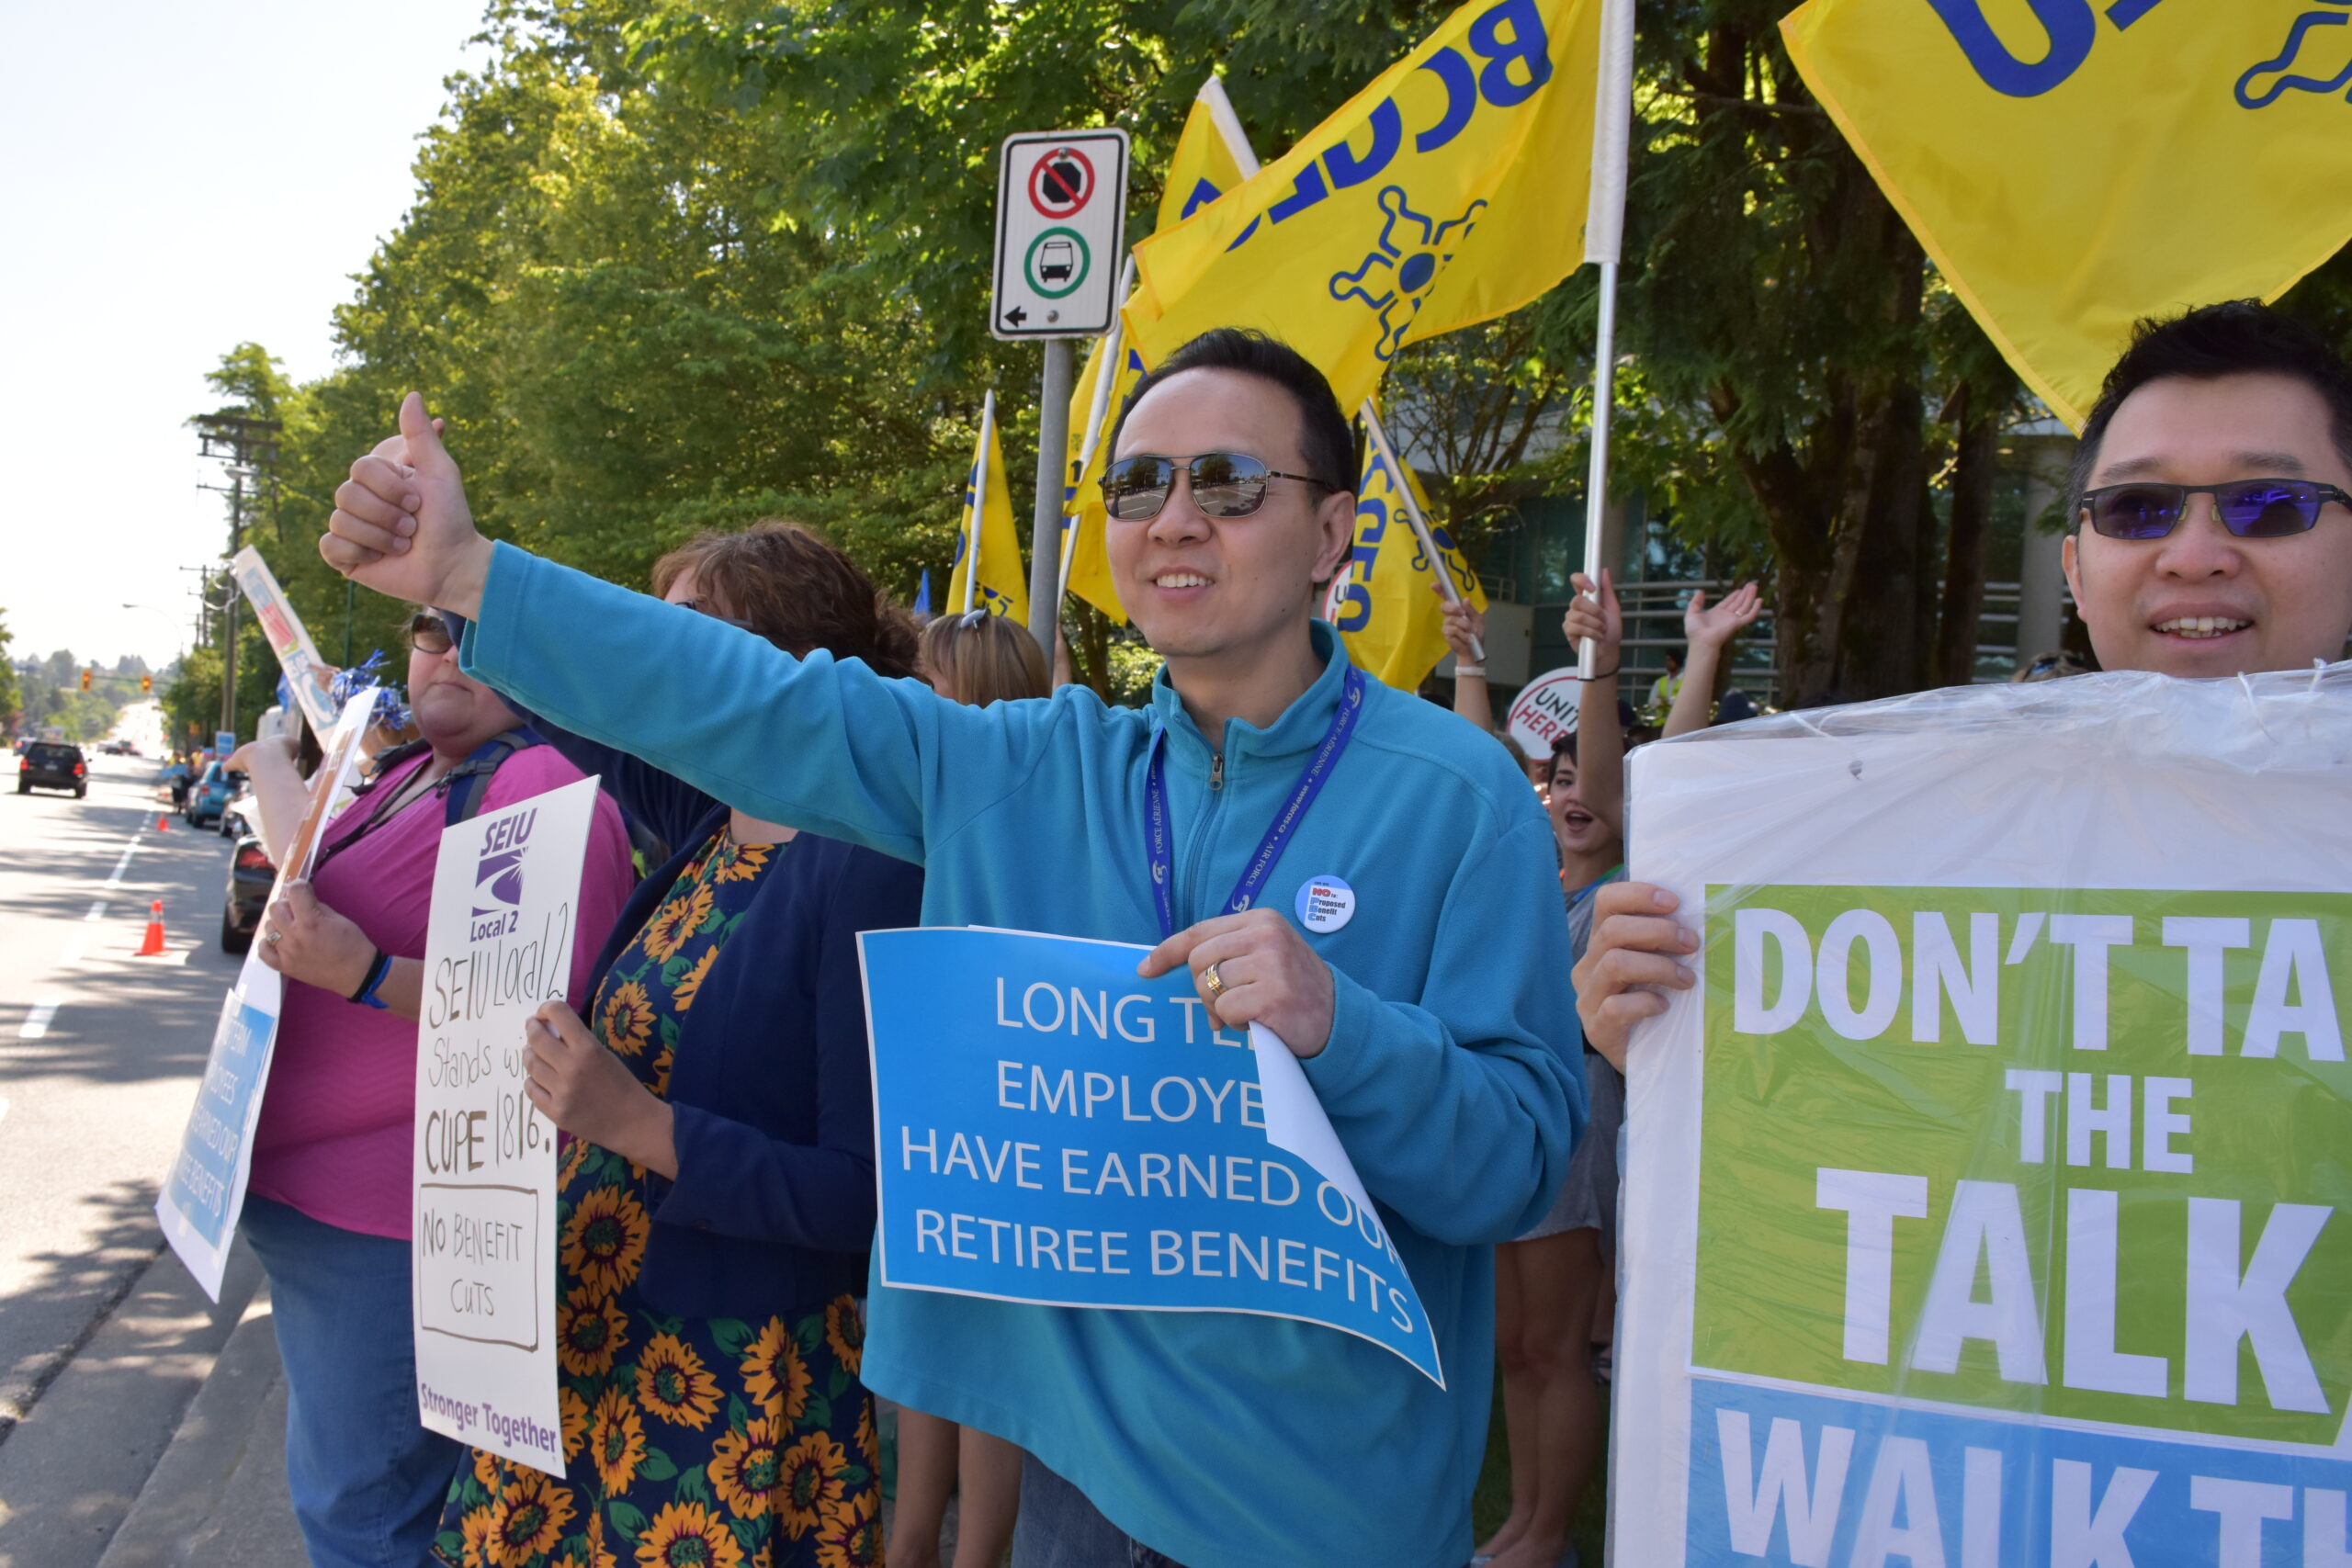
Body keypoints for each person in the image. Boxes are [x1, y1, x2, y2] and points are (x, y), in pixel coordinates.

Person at [320, 327, 1584, 1568]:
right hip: (1072, 1487)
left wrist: (1341, 1026)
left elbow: (1520, 1167)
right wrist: (473, 575)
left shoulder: (1464, 796)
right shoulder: (1024, 763)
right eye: (1139, 482)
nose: (1178, 517)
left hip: (1325, 1513)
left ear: (1334, 533)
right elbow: (754, 700)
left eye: (1231, 482)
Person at [1575, 299, 2352, 1069]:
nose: (2194, 555)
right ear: (2076, 571)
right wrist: (1658, 1055)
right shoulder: (1884, 839)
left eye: (2268, 505)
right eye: (2138, 508)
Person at [427, 520, 926, 1568]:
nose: (654, 648)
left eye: (688, 627)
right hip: (592, 1338)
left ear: (789, 665)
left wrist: (638, 1124)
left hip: (723, 1383)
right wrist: (457, 573)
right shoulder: (711, 811)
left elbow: (861, 1197)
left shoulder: (871, 866)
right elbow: (592, 690)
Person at [227, 611, 633, 1568]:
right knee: (365, 1504)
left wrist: (366, 971)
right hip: (324, 1221)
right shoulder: (415, 775)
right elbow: (302, 885)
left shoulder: (532, 780)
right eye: (428, 630)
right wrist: (278, 768)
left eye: (483, 630)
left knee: (368, 1521)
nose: (446, 649)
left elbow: (544, 1015)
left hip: (395, 1228)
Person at [1447, 578, 1624, 1568]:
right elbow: (1478, 770)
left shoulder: (1625, 882)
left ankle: (1550, 1531)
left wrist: (1597, 664)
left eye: (1580, 783)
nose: (1566, 796)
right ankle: (1521, 1520)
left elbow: (1598, 779)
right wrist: (1468, 662)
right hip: (1508, 1125)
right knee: (1513, 1346)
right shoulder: (1527, 875)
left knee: (1556, 1347)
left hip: (1574, 1129)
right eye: (1548, 781)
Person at [892, 604, 1048, 1568]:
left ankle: (975, 1554)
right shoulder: (902, 797)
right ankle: (910, 1544)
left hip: (998, 1116)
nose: (902, 696)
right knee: (923, 1339)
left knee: (990, 1359)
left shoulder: (1020, 815)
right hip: (924, 1098)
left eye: (923, 678)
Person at [1660, 581, 1761, 739]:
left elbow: (1677, 752)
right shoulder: (1661, 682)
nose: (1668, 663)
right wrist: (1703, 646)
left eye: (1670, 660)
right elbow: (1677, 753)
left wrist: (1703, 647)